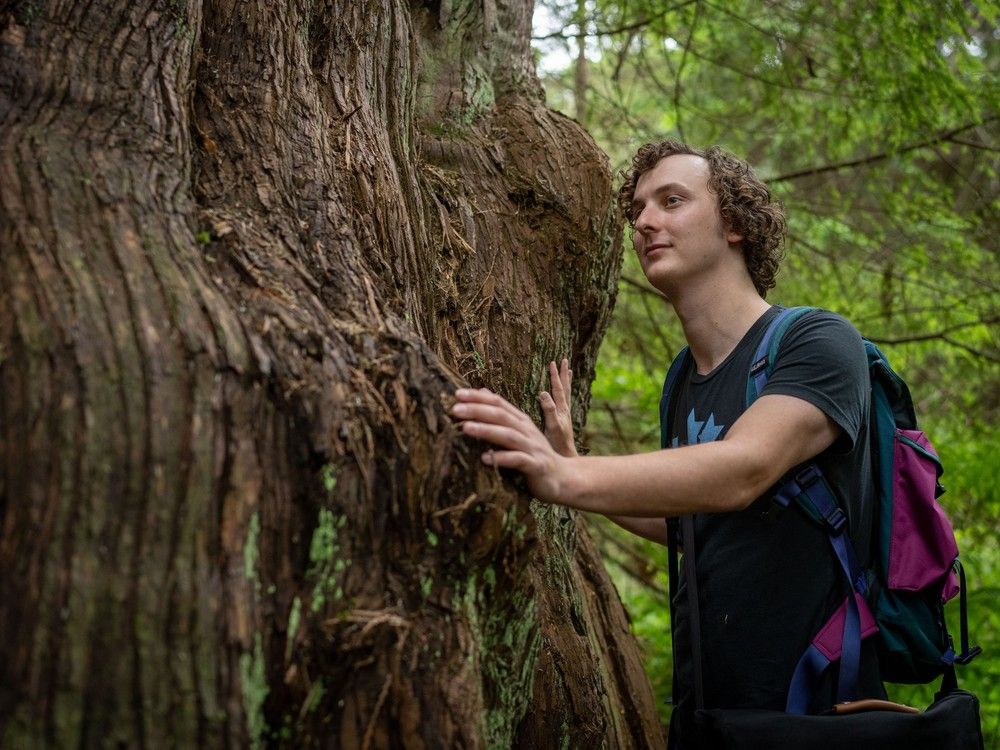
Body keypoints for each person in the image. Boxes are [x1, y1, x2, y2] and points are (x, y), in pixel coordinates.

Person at [450, 140, 885, 746]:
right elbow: (688, 520)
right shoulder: (682, 380)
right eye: (637, 210)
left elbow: (744, 469)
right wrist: (573, 469)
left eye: (672, 201)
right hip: (705, 713)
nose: (644, 222)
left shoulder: (817, 341)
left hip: (812, 711)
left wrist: (566, 475)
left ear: (735, 223)